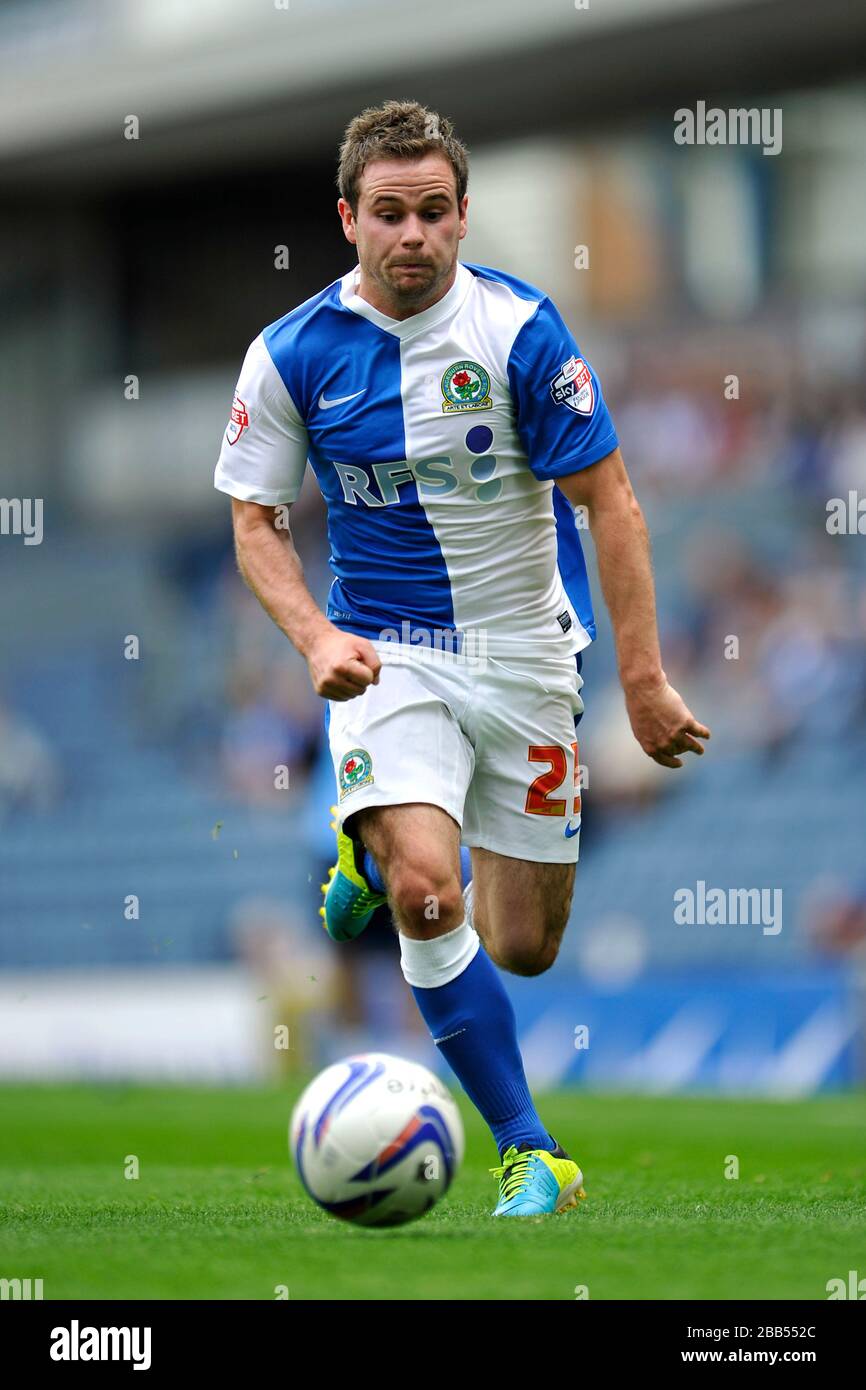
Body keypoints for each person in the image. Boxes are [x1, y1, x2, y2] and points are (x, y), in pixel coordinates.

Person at [214, 99, 710, 1216]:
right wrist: (315, 637)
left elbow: (609, 503)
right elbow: (254, 520)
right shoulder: (291, 353)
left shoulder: (523, 333)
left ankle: (365, 864)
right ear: (348, 219)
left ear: (462, 216)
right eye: (388, 214)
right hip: (386, 656)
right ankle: (530, 1151)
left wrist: (639, 678)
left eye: (433, 213)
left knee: (522, 944)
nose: (413, 237)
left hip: (530, 656)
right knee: (431, 894)